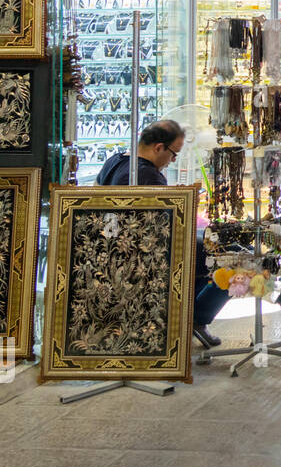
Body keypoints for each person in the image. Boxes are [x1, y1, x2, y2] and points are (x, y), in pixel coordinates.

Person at [96, 120, 228, 350]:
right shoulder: (146, 175)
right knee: (230, 259)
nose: (173, 160)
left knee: (205, 245)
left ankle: (189, 315)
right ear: (158, 148)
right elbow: (164, 227)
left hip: (117, 249)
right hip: (145, 255)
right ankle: (197, 318)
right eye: (174, 154)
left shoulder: (115, 161)